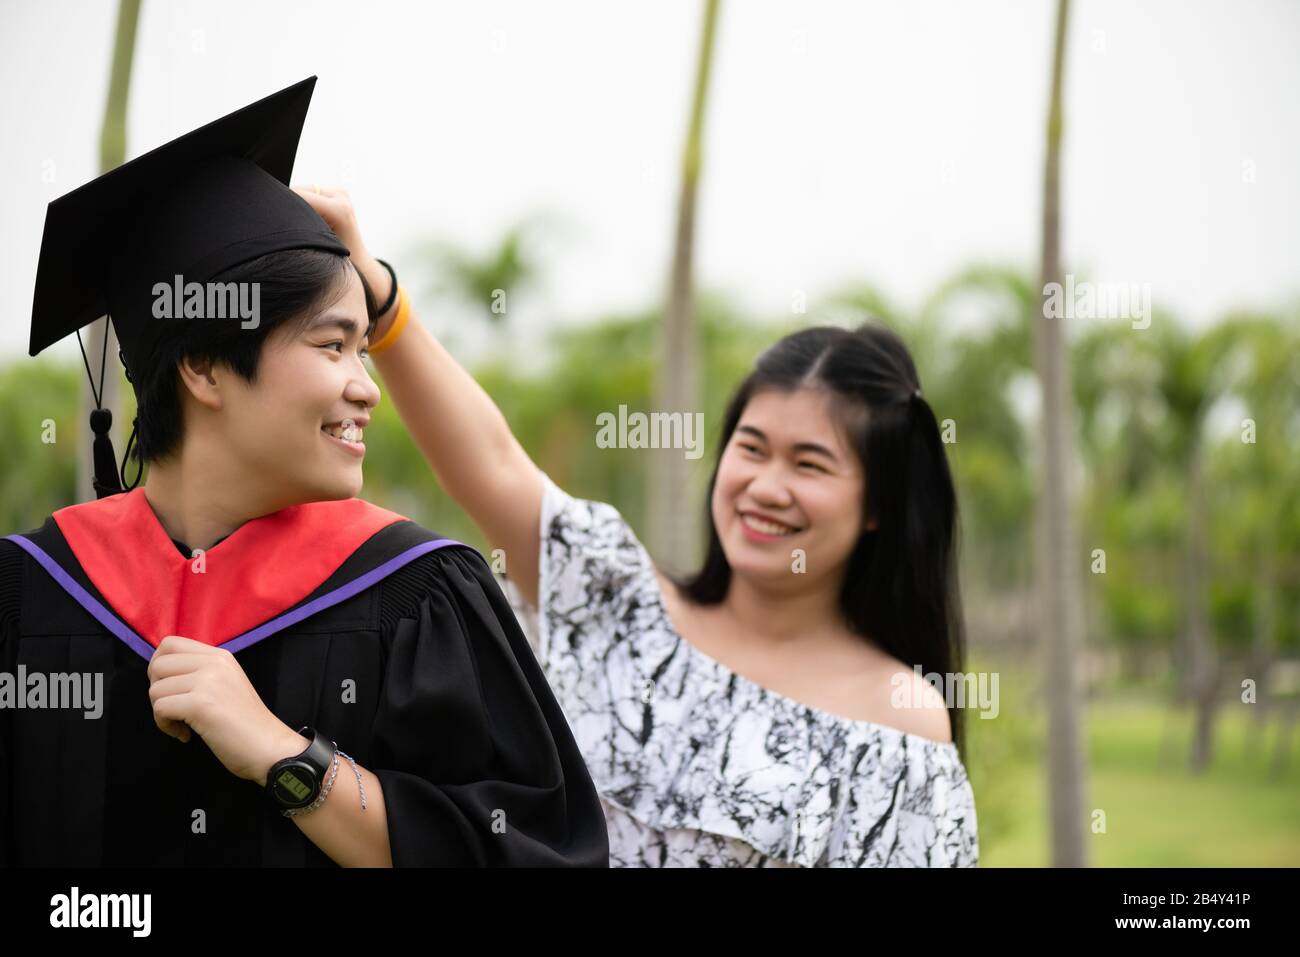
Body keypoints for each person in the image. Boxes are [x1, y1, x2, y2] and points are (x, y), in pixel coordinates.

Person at [0, 77, 609, 867]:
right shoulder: (31, 594)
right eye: (332, 346)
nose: (368, 386)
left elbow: (536, 853)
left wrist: (288, 757)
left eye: (365, 346)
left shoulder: (418, 596)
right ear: (205, 367)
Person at [302, 190, 981, 867]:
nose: (766, 486)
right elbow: (493, 463)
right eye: (751, 448)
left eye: (811, 463)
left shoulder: (899, 714)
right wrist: (378, 291)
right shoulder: (618, 597)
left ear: (878, 505)